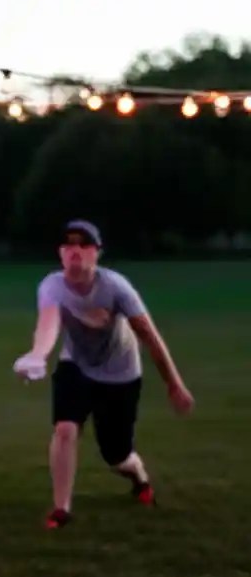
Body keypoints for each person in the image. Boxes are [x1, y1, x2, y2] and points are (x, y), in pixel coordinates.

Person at [13, 220, 194, 529]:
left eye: (84, 244)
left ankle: (138, 475)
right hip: (77, 365)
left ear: (97, 253)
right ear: (60, 253)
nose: (76, 251)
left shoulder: (116, 287)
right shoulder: (52, 286)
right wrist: (37, 355)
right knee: (65, 429)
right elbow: (48, 325)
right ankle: (61, 508)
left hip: (120, 375)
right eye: (69, 244)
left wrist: (174, 384)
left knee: (117, 455)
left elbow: (150, 336)